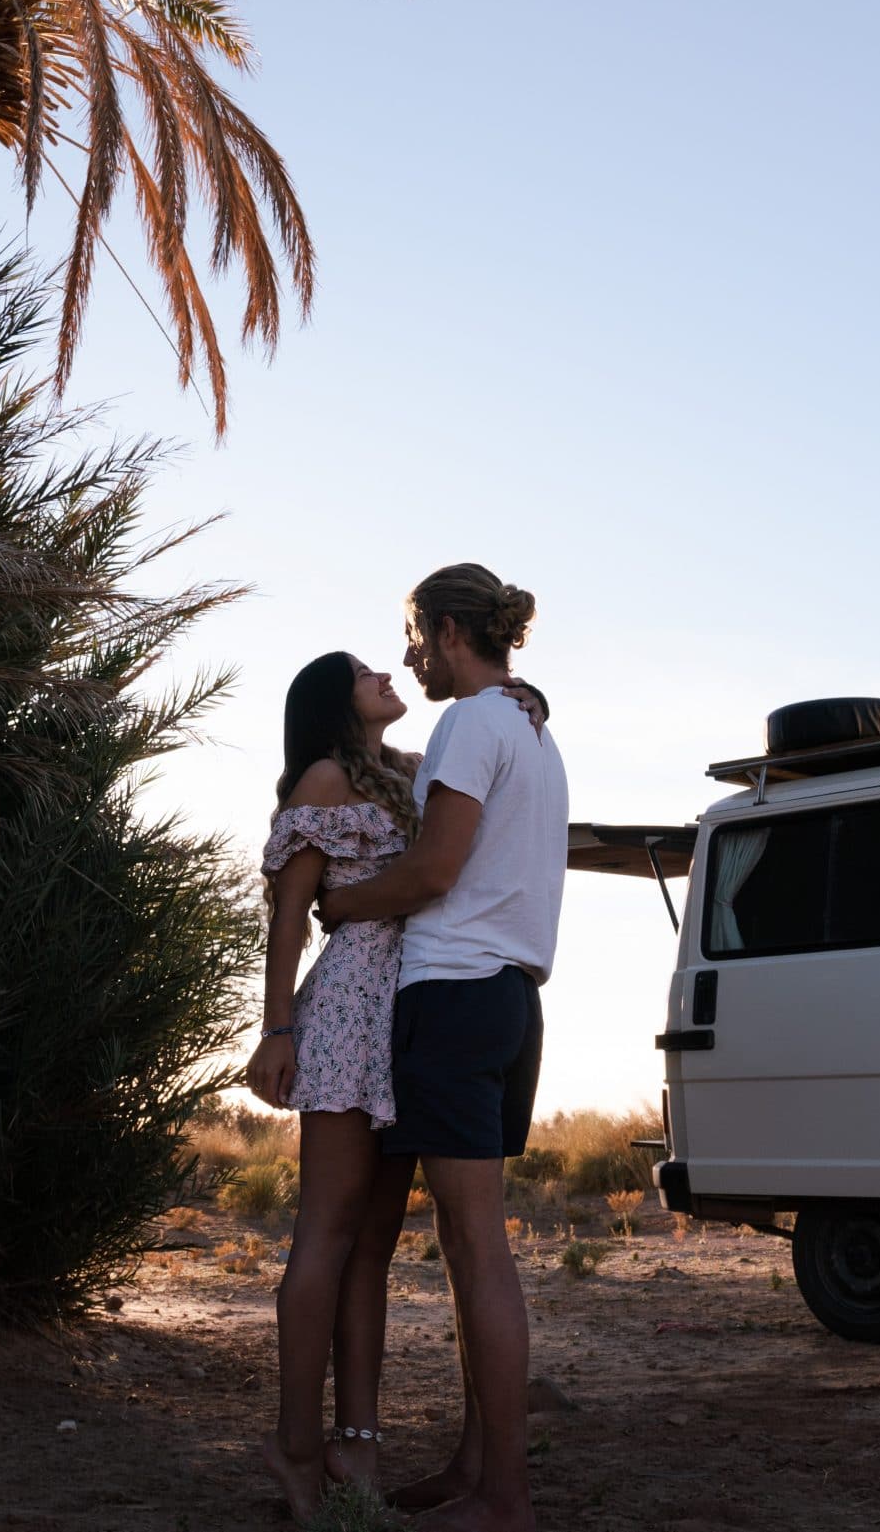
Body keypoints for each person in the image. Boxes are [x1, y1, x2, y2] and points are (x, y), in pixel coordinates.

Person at [246, 651, 544, 1522]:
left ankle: (358, 1444)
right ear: (335, 700)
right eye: (365, 670)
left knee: (373, 1242)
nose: (386, 671)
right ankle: (296, 1445)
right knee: (328, 1233)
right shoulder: (328, 777)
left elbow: (481, 768)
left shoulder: (404, 773)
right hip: (346, 1012)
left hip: (405, 1015)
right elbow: (291, 917)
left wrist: (525, 693)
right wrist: (276, 1029)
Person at [318, 564, 568, 1532]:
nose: (409, 653)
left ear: (452, 628)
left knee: (474, 1249)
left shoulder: (474, 721)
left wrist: (336, 903)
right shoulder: (523, 724)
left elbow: (432, 867)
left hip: (454, 994)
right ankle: (475, 1464)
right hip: (506, 1000)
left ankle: (503, 1495)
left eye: (415, 633)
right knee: (472, 1246)